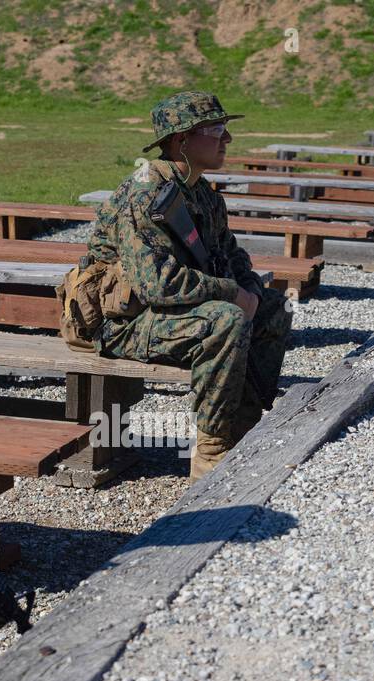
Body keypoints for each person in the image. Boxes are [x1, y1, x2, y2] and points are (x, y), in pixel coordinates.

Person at [87, 91, 292, 478]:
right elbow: (157, 285)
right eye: (216, 130)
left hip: (171, 313)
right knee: (225, 320)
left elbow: (231, 253)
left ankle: (240, 429)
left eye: (225, 128)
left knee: (275, 307)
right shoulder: (146, 194)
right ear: (181, 140)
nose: (227, 138)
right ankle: (211, 451)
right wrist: (232, 293)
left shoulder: (201, 193)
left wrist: (250, 289)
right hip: (123, 323)